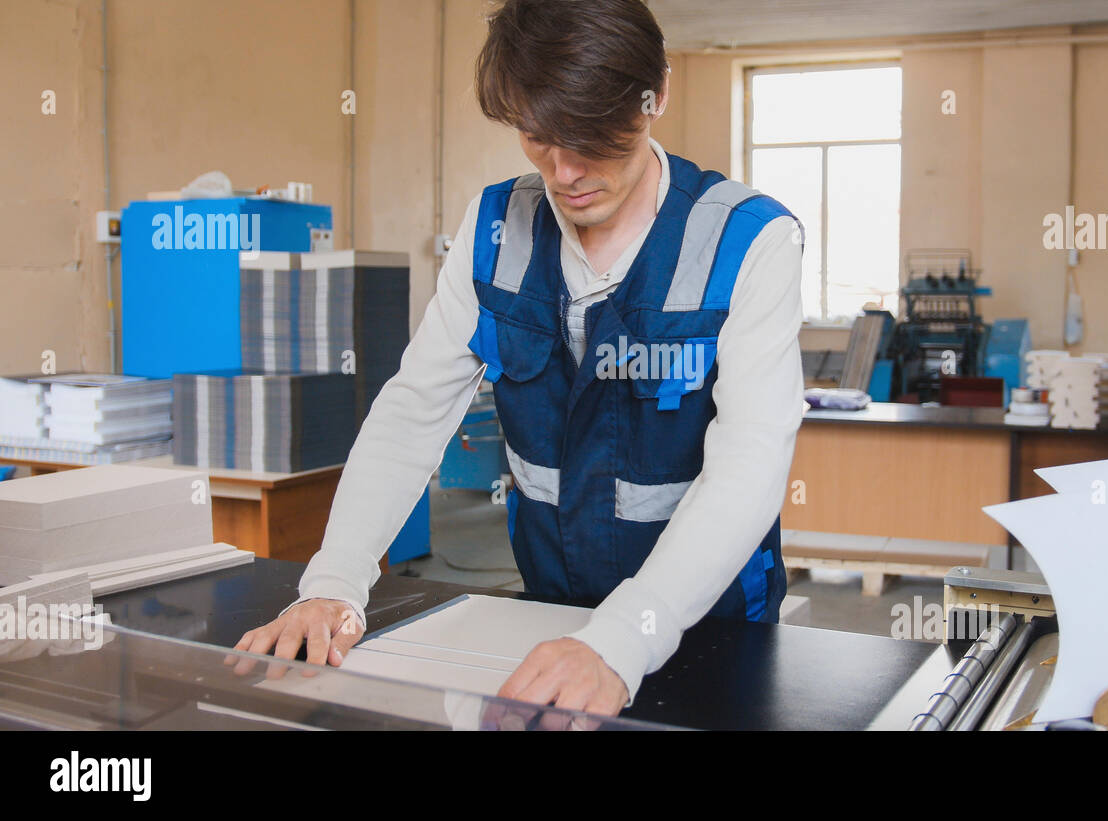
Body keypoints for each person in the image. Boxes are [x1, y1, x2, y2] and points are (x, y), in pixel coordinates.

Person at [233, 0, 805, 716]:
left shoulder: (752, 241)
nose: (565, 172)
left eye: (594, 138)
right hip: (547, 624)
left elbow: (749, 468)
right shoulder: (495, 228)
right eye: (539, 137)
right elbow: (413, 412)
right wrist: (334, 581)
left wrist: (624, 640)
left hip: (713, 638)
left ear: (658, 92)